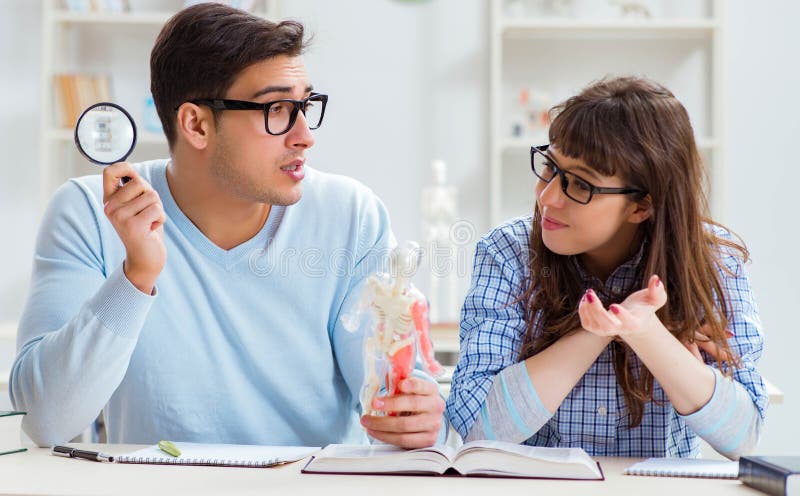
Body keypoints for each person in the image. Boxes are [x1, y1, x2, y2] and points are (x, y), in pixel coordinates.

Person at [10, 3, 444, 449]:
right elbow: (44, 420)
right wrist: (136, 276)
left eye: (305, 106)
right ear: (196, 124)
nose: (304, 135)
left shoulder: (351, 215)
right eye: (277, 109)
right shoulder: (90, 212)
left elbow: (390, 398)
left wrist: (415, 415)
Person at [446, 76, 766, 459]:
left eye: (580, 185)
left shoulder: (711, 262)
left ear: (641, 206)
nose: (547, 197)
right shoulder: (508, 253)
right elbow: (476, 428)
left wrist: (646, 332)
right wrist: (598, 332)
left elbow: (744, 438)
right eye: (550, 167)